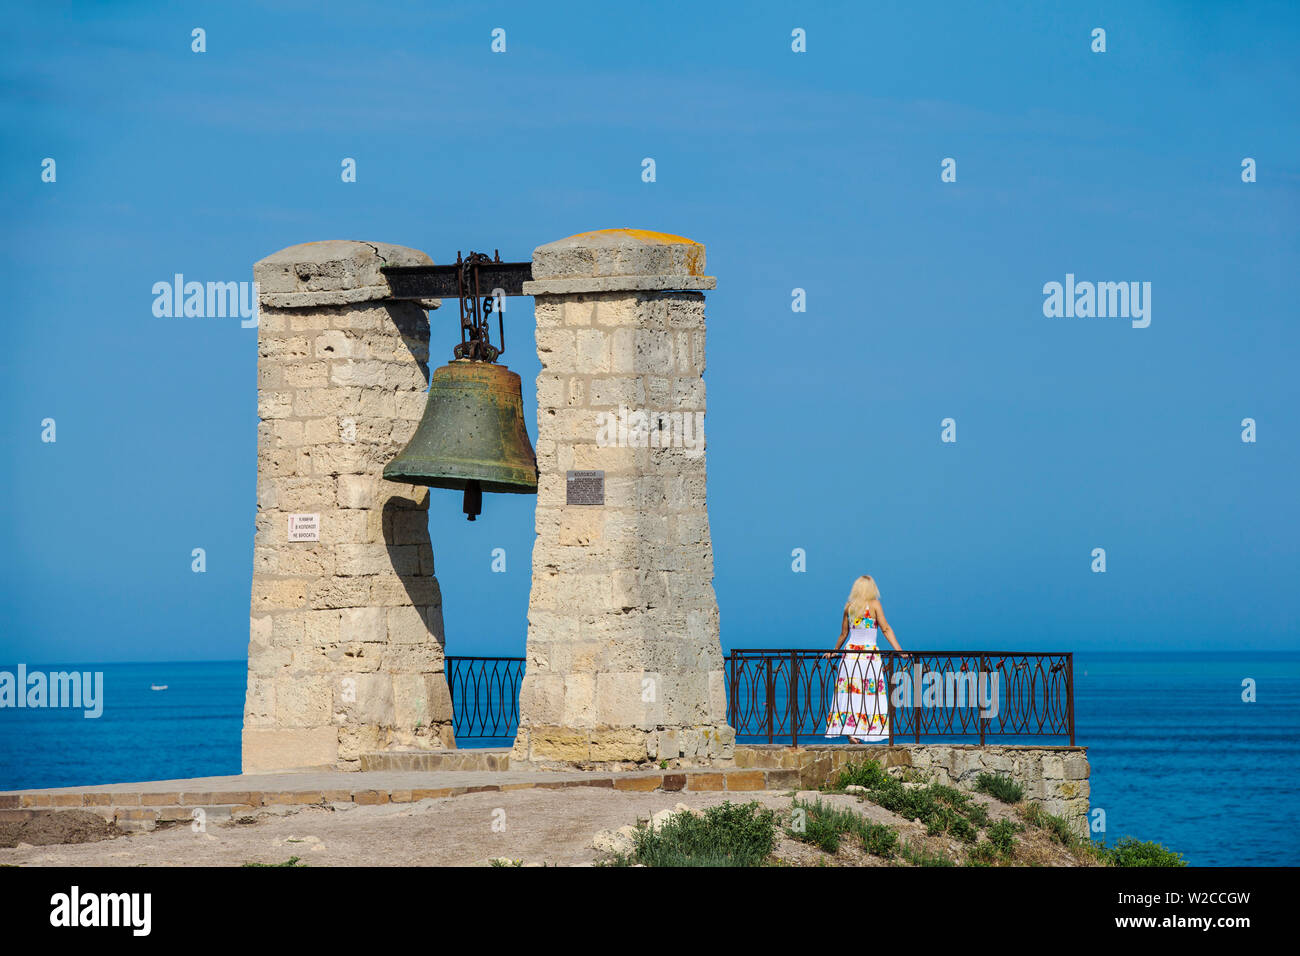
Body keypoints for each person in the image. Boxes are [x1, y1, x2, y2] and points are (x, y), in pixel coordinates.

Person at [823, 574, 905, 743]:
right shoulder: (874, 605)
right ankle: (869, 729)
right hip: (868, 656)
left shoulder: (849, 606)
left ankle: (850, 731)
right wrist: (899, 650)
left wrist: (834, 651)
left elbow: (844, 634)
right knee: (870, 694)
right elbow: (886, 629)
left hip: (851, 655)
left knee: (849, 694)